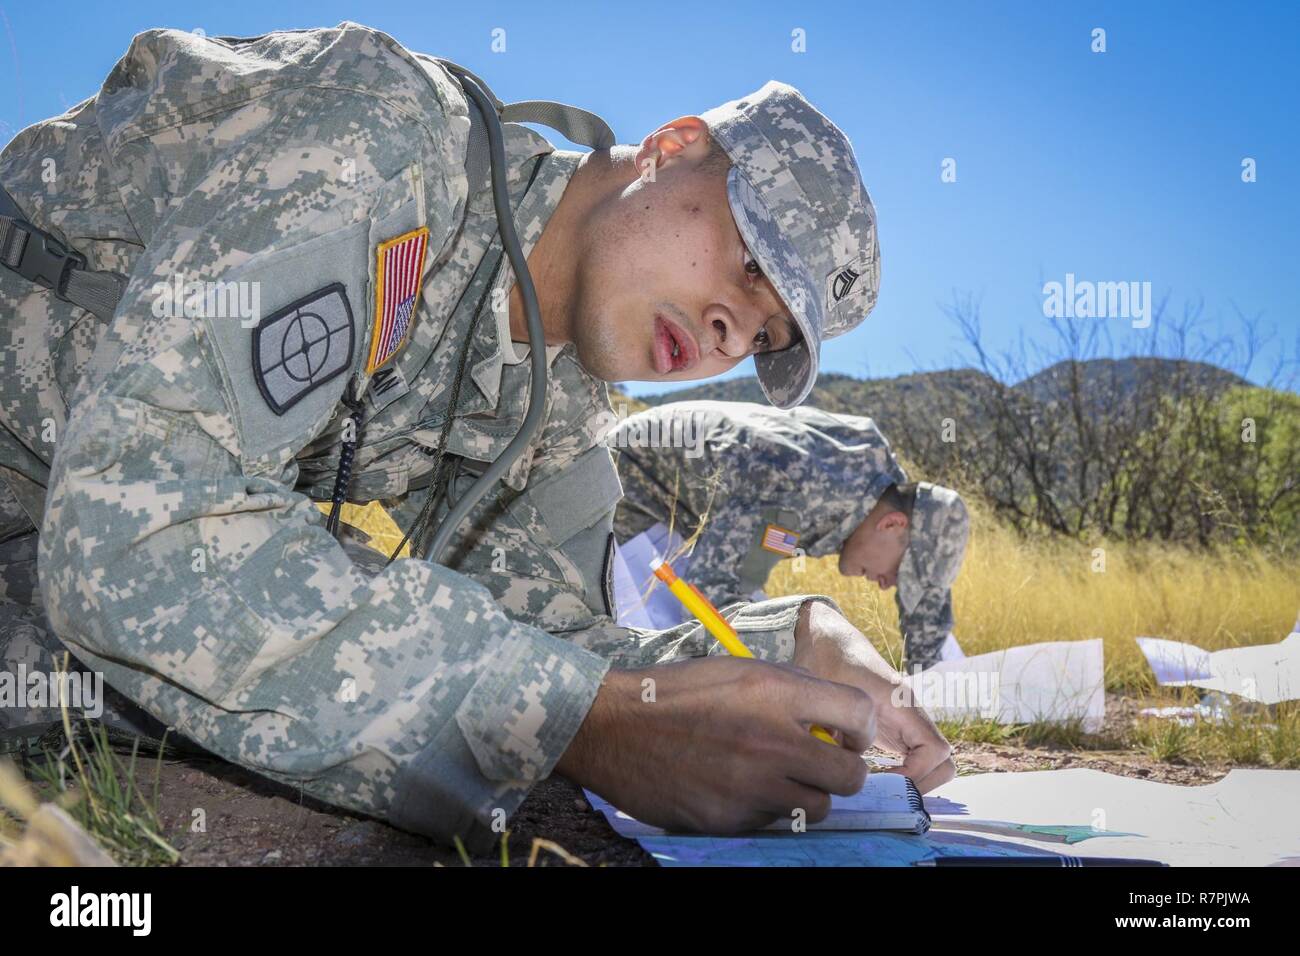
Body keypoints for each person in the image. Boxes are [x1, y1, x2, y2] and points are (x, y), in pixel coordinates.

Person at [0, 22, 952, 849]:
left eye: (763, 338)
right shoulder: (379, 141)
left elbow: (560, 650)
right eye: (748, 265)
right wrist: (584, 723)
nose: (729, 335)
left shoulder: (555, 403)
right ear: (671, 147)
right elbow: (137, 533)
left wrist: (790, 644)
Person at [608, 401, 970, 670]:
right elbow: (713, 593)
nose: (886, 584)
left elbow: (924, 603)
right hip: (623, 497)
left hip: (680, 518)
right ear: (892, 525)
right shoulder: (799, 491)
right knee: (676, 657)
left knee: (760, 636)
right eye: (898, 573)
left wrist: (931, 681)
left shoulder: (874, 483)